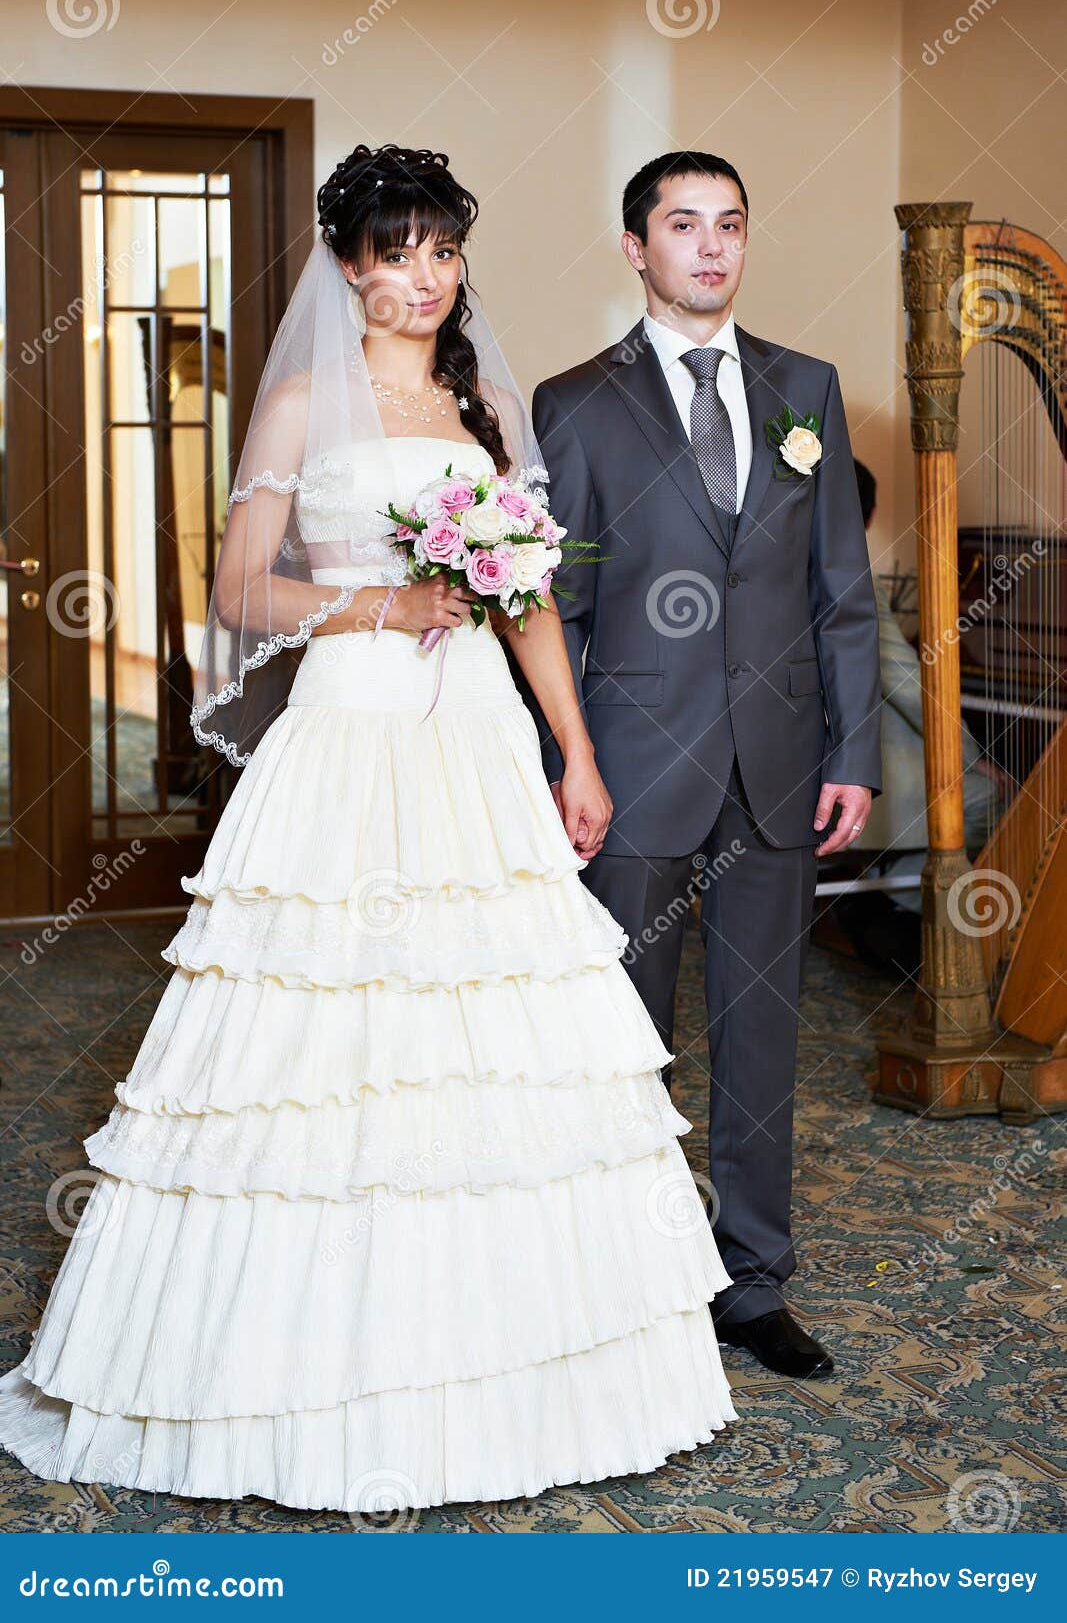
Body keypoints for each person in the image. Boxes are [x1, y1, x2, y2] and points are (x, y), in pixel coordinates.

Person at [0, 145, 737, 1514]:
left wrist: (573, 751)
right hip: (346, 725)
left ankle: (511, 1371)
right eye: (395, 253)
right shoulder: (295, 401)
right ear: (347, 266)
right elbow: (236, 589)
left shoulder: (488, 409)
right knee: (320, 1041)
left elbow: (523, 602)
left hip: (470, 740)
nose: (422, 278)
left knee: (493, 1041)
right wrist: (375, 606)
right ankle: (293, 1367)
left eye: (442, 252)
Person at [508, 151, 882, 1381]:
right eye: (682, 226)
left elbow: (839, 591)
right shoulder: (572, 403)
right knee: (620, 1036)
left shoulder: (803, 389)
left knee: (762, 1035)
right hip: (628, 770)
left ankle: (750, 1281)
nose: (710, 248)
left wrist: (853, 751)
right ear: (634, 247)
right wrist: (567, 761)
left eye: (728, 224)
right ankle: (614, 1278)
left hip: (779, 767)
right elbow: (550, 605)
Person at [847, 458, 1002, 942]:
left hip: (791, 767)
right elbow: (904, 682)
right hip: (845, 782)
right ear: (870, 518)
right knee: (991, 797)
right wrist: (971, 757)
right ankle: (907, 914)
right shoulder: (852, 577)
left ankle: (890, 898)